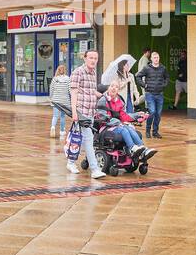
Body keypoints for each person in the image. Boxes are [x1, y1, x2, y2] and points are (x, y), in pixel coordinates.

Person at [68, 49, 106, 180]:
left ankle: (71, 162)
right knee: (88, 140)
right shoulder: (77, 72)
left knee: (78, 139)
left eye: (95, 58)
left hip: (90, 112)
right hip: (80, 112)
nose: (93, 60)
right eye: (91, 58)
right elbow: (73, 93)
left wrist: (101, 95)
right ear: (84, 58)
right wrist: (74, 112)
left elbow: (91, 91)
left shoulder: (93, 73)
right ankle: (95, 169)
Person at [97, 80, 155, 160]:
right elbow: (102, 117)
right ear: (108, 88)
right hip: (105, 127)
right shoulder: (103, 100)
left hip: (118, 126)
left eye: (116, 87)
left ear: (118, 90)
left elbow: (124, 116)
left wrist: (138, 115)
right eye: (112, 86)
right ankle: (132, 148)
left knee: (129, 128)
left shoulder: (119, 101)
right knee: (123, 129)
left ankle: (143, 149)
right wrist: (118, 122)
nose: (114, 88)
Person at [135, 51, 169, 138]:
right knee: (152, 112)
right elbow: (138, 76)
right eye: (154, 58)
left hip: (160, 94)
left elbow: (167, 77)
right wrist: (144, 85)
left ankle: (155, 132)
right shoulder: (147, 68)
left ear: (159, 58)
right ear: (151, 59)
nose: (156, 59)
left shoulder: (163, 68)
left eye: (157, 57)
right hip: (150, 93)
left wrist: (164, 85)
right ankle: (147, 130)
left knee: (158, 114)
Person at [48, 63, 71, 138]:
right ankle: (62, 131)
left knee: (55, 116)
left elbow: (51, 89)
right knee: (62, 116)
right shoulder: (68, 79)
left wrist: (51, 98)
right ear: (65, 71)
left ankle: (53, 127)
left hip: (56, 100)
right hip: (64, 101)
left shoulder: (55, 79)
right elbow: (69, 90)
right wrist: (70, 99)